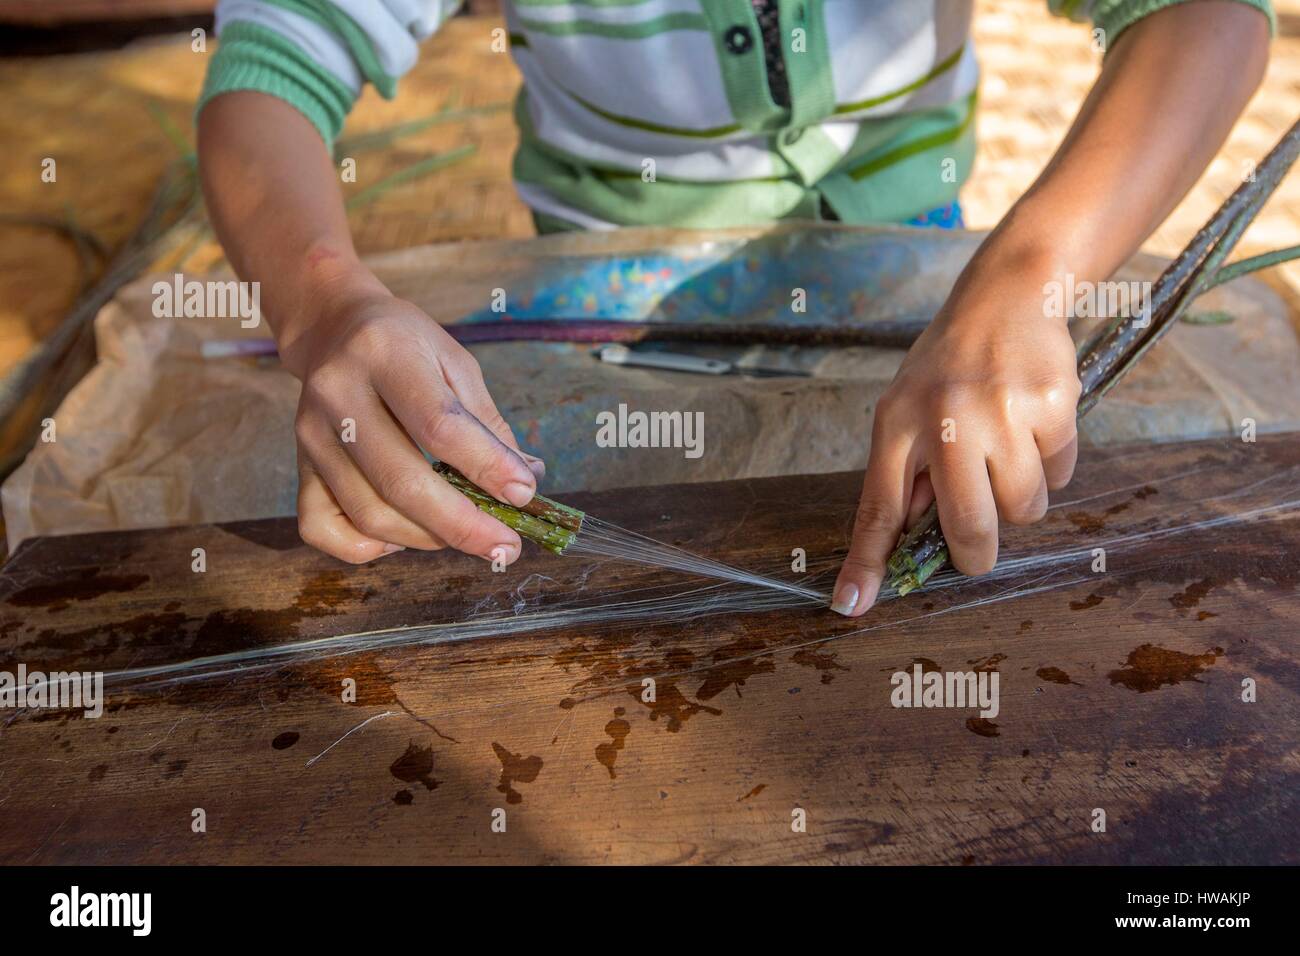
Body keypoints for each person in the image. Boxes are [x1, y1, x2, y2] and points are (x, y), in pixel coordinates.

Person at [196, 0, 1273, 616]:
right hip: (602, 321)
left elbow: (1206, 16)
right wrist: (327, 303)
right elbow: (268, 73)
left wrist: (1029, 275)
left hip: (932, 302)